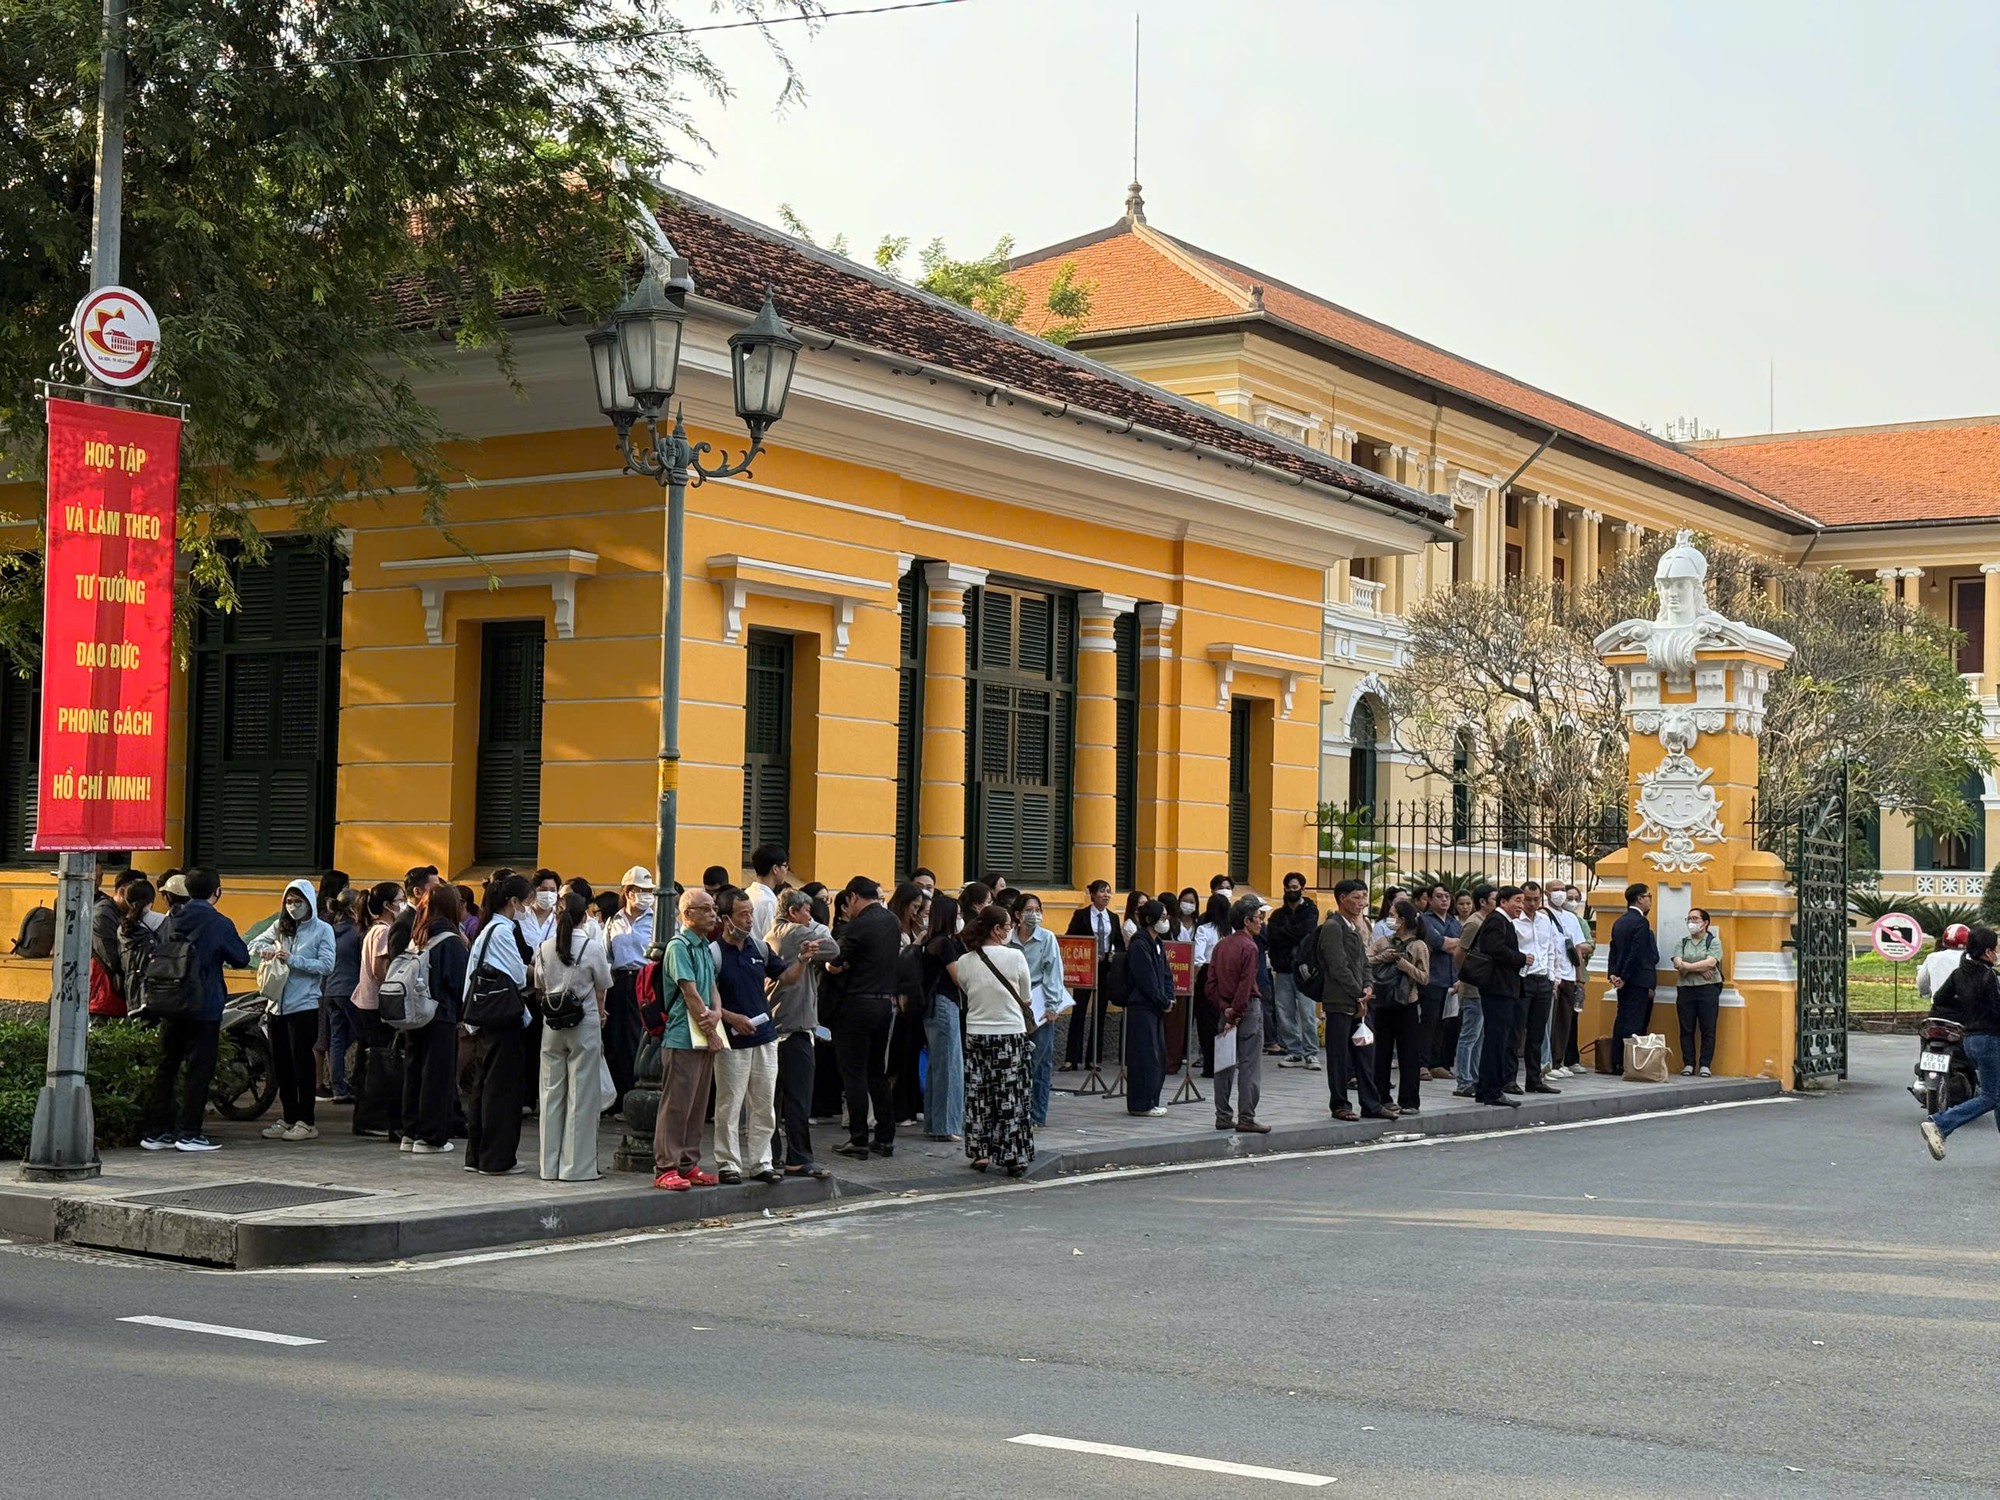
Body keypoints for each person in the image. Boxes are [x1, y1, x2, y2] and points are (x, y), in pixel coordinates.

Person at [138, 868, 250, 1152]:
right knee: (198, 1070)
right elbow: (241, 957)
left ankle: (157, 1132)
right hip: (204, 1005)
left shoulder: (169, 920)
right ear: (217, 892)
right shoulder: (218, 922)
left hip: (169, 1002)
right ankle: (189, 1133)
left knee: (167, 1065)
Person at [708, 885, 796, 1184]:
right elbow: (708, 999)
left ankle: (762, 1162)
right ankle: (729, 1164)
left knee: (764, 1105)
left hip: (765, 1036)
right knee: (729, 1105)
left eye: (751, 914)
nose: (748, 920)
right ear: (725, 919)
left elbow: (786, 977)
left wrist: (805, 960)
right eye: (742, 914)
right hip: (732, 1039)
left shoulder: (760, 949)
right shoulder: (714, 954)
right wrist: (733, 1018)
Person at [948, 903, 1037, 1176]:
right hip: (1010, 1034)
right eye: (1009, 925)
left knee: (979, 1096)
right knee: (1012, 1097)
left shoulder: (965, 961)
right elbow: (1026, 996)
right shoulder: (1015, 957)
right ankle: (1013, 1156)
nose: (1011, 930)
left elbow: (966, 989)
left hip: (976, 1034)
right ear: (998, 930)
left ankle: (981, 1153)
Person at [250, 878, 337, 1142]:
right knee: (282, 1063)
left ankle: (306, 1120)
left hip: (305, 1004)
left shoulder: (322, 930)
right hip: (277, 1005)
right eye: (289, 901)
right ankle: (288, 1116)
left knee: (302, 1062)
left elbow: (326, 965)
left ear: (309, 902)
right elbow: (252, 944)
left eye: (298, 901)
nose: (293, 907)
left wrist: (294, 960)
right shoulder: (280, 927)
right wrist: (267, 950)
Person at [533, 891, 610, 1181]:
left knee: (551, 1093)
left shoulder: (545, 947)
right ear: (584, 916)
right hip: (584, 1023)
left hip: (551, 1024)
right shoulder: (592, 947)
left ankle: (548, 1165)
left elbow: (540, 984)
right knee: (582, 1096)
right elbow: (602, 987)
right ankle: (576, 1167)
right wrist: (601, 1017)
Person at [653, 887, 725, 1191]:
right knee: (677, 1104)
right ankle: (666, 1166)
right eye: (706, 909)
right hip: (684, 1034)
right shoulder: (679, 946)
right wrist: (710, 1030)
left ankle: (688, 1163)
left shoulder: (705, 947)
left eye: (713, 908)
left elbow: (711, 989)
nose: (713, 914)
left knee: (697, 1103)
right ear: (688, 914)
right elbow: (689, 991)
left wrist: (718, 1013)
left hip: (705, 1034)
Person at [463, 873, 534, 1175]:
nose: (529, 909)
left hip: (486, 1018)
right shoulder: (502, 931)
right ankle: (496, 1158)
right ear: (513, 902)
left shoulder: (487, 929)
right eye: (527, 902)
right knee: (501, 1089)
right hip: (502, 1018)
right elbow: (517, 976)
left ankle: (477, 1155)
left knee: (484, 1086)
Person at [826, 877, 902, 1159]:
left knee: (854, 1073)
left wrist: (832, 964)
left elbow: (835, 963)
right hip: (884, 1004)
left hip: (856, 1005)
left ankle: (858, 1138)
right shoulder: (892, 921)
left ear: (855, 897)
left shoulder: (857, 926)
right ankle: (885, 1137)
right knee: (876, 1073)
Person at [770, 887, 838, 1179]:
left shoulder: (773, 933)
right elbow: (833, 950)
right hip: (794, 1024)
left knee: (773, 1098)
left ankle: (771, 1155)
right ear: (793, 912)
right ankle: (798, 1157)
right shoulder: (796, 933)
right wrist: (817, 929)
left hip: (779, 1022)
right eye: (807, 910)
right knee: (798, 1096)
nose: (811, 915)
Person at [396, 883, 468, 1154]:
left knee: (414, 1072)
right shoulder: (450, 940)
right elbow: (459, 983)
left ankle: (410, 1132)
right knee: (438, 1076)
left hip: (414, 1014)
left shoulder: (418, 936)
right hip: (441, 1015)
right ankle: (431, 1137)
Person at [1921, 926, 2000, 1161]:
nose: (1997, 953)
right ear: (1987, 952)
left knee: (1997, 1093)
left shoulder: (1959, 973)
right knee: (1991, 1096)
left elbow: (1940, 998)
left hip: (1970, 1040)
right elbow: (1996, 1012)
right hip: (1989, 1040)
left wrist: (1968, 1011)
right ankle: (1940, 1124)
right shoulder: (1988, 976)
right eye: (1996, 948)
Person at [1318, 879, 1388, 1121]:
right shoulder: (1333, 926)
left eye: (1364, 897)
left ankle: (1371, 1103)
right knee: (1339, 1057)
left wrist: (1368, 986)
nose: (1362, 903)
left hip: (1360, 1001)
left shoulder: (1355, 927)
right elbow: (1337, 966)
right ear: (1342, 898)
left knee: (1365, 1054)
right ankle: (1339, 1104)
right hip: (1340, 1001)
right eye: (1357, 897)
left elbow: (1363, 963)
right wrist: (1358, 991)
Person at [1209, 895, 1273, 1133]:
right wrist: (1235, 1012)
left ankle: (1223, 1115)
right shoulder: (1249, 947)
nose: (1261, 922)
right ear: (1247, 921)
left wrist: (1225, 1009)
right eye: (1259, 918)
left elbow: (1211, 984)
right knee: (1249, 1065)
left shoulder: (1221, 945)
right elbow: (1246, 985)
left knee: (1224, 1065)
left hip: (1225, 1008)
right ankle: (1247, 1116)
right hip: (1246, 1010)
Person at [347, 881, 404, 1138]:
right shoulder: (382, 932)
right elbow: (380, 970)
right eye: (400, 899)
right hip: (377, 1006)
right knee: (380, 1064)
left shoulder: (373, 930)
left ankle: (368, 1117)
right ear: (387, 905)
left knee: (370, 1063)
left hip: (367, 1003)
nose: (403, 904)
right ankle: (375, 1119)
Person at [1011, 893, 1072, 1127]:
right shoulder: (1009, 940)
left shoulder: (1046, 939)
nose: (1034, 914)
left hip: (1040, 1003)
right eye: (1028, 910)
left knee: (1040, 1061)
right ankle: (1018, 1110)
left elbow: (1054, 973)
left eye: (1038, 910)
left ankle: (1037, 1115)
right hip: (1015, 1004)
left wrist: (1052, 1006)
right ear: (1017, 915)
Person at [1469, 885, 1531, 1108]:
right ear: (1503, 901)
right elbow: (1494, 949)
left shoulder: (1502, 921)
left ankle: (1485, 1088)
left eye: (1522, 901)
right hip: (1498, 988)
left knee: (1496, 1039)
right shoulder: (1497, 920)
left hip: (1502, 988)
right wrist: (1521, 958)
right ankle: (1493, 1090)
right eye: (1517, 900)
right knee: (1497, 1040)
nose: (1520, 906)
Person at [1368, 897, 1431, 1113]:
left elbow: (1424, 978)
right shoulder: (1384, 941)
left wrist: (1406, 966)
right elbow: (1365, 960)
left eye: (1393, 915)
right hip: (1383, 1003)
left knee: (1409, 1055)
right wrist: (1382, 958)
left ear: (1403, 919)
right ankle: (1381, 1096)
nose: (1390, 919)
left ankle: (1410, 1100)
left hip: (1407, 1004)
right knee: (1381, 1053)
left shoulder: (1418, 945)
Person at [602, 866, 657, 1111]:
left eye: (648, 891)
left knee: (639, 1036)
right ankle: (619, 1095)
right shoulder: (615, 920)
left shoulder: (657, 920)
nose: (645, 895)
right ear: (628, 892)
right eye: (640, 890)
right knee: (616, 1039)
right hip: (619, 980)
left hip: (645, 979)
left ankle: (638, 1092)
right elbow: (606, 955)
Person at [1062, 879, 1123, 1070]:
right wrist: (1088, 953)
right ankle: (1071, 1058)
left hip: (1105, 968)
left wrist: (1113, 952)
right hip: (1085, 969)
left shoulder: (1113, 917)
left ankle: (1093, 1058)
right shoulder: (1081, 915)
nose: (1106, 895)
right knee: (1078, 1011)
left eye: (1109, 892)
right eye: (1102, 892)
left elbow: (1119, 942)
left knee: (1100, 1012)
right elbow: (1071, 939)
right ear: (1093, 894)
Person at [1122, 899, 1175, 1115]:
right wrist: (1162, 1000)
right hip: (1142, 1007)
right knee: (1144, 1056)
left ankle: (1152, 1100)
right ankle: (1140, 1103)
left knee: (1158, 1054)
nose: (1165, 921)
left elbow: (1165, 974)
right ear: (1149, 919)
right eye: (1161, 917)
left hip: (1156, 1008)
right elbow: (1147, 981)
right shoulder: (1139, 944)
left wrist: (1169, 997)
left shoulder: (1157, 943)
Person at [1510, 883, 1562, 1096]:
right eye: (1528, 899)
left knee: (1538, 1034)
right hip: (1523, 979)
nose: (1532, 904)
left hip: (1543, 980)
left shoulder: (1544, 920)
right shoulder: (1514, 922)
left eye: (1536, 899)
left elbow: (1551, 949)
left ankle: (1534, 1078)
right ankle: (1510, 1078)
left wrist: (1552, 977)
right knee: (1516, 1032)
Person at [1267, 872, 1321, 1071]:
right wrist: (1292, 934)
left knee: (1307, 1011)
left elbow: (1306, 933)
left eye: (1295, 887)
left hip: (1305, 969)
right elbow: (1272, 936)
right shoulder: (1277, 915)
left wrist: (1286, 933)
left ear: (1302, 889)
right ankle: (1294, 1051)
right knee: (1284, 1012)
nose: (1291, 891)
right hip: (1282, 969)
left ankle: (1311, 1053)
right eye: (1289, 887)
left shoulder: (1311, 911)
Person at [1608, 882, 1661, 1075]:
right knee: (1634, 1023)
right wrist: (1623, 976)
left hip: (1623, 979)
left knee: (1622, 1018)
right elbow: (1636, 953)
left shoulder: (1620, 921)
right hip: (1636, 980)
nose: (1650, 901)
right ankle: (1631, 1064)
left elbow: (1613, 951)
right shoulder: (1641, 922)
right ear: (1639, 899)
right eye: (1649, 897)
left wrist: (1613, 974)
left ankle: (1616, 1061)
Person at [320, 886, 363, 1105]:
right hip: (352, 990)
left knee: (337, 1038)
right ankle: (358, 1082)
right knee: (363, 1036)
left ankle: (338, 1087)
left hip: (330, 990)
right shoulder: (358, 932)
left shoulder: (329, 931)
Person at [1451, 887, 1494, 1097]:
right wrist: (1465, 976)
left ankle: (1475, 1077)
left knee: (1479, 1036)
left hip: (1483, 987)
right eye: (1495, 899)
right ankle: (1464, 1080)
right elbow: (1460, 952)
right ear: (1483, 901)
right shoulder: (1474, 923)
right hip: (1472, 988)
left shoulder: (1486, 922)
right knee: (1469, 1035)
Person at [1416, 885, 1461, 1082]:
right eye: (1439, 896)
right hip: (1432, 978)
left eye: (1446, 896)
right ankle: (1422, 1063)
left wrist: (1452, 943)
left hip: (1452, 979)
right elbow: (1437, 942)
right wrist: (1452, 943)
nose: (1444, 900)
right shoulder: (1424, 920)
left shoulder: (1453, 921)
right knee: (1429, 1022)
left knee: (1446, 1024)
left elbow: (1462, 945)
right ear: (1430, 900)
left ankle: (1438, 1063)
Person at [1673, 906, 1725, 1076]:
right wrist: (1699, 968)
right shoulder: (1683, 942)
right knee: (1686, 1027)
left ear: (1705, 923)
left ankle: (1705, 1064)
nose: (1691, 922)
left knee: (1707, 1028)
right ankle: (1688, 1063)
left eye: (1695, 919)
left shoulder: (1713, 941)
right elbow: (1677, 964)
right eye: (1689, 919)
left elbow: (1711, 963)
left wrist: (1688, 967)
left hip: (1707, 989)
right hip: (1686, 989)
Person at [1546, 886, 1591, 1078]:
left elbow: (1578, 949)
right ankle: (1546, 1062)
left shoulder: (1572, 919)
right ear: (1547, 893)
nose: (1560, 893)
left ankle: (1558, 1060)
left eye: (1562, 889)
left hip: (1569, 974)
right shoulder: (1543, 916)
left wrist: (1579, 977)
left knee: (1565, 1021)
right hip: (1552, 975)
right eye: (1555, 889)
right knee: (1549, 1021)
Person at [1191, 891, 1233, 1077]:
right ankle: (1225, 1063)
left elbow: (1198, 958)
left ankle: (1210, 1064)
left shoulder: (1204, 930)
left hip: (1208, 974)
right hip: (1228, 975)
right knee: (1225, 1020)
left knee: (1206, 1023)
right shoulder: (1231, 931)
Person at [1919, 924, 1971, 1004]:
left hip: (1939, 1008)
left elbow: (1922, 979)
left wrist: (1926, 994)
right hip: (1966, 1009)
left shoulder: (1932, 958)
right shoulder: (1972, 959)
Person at [748, 844, 788, 946]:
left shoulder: (747, 893)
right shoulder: (769, 902)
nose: (786, 870)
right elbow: (772, 940)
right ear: (775, 869)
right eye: (785, 866)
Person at [521, 869, 563, 952]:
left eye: (552, 890)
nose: (548, 894)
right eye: (543, 890)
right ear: (533, 891)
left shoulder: (561, 918)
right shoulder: (521, 917)